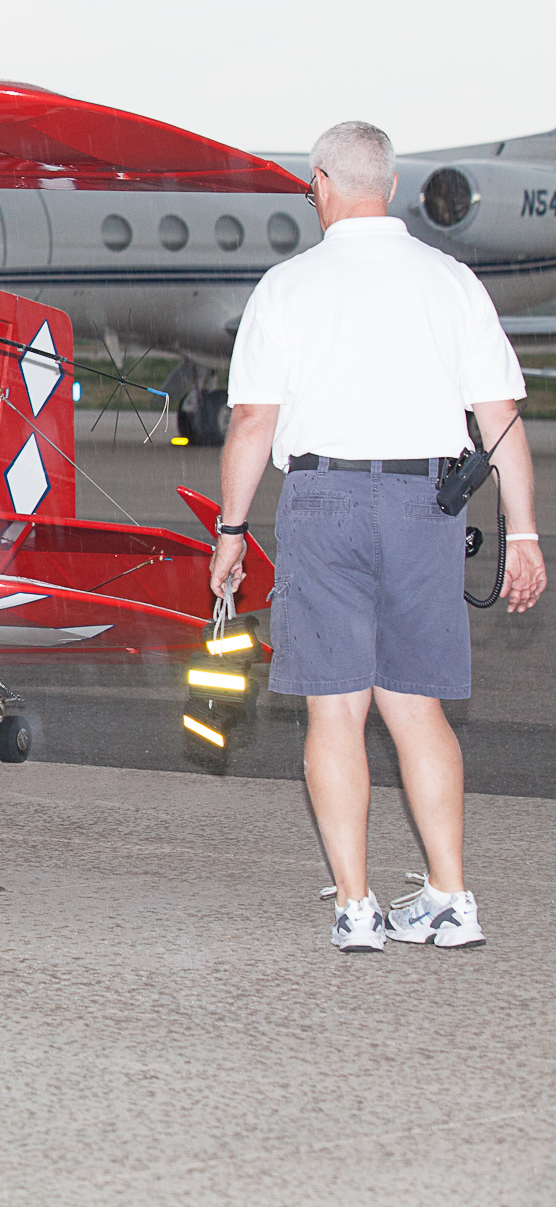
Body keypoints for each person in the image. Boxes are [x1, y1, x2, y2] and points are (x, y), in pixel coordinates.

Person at [210, 121, 543, 952]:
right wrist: (527, 536)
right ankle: (450, 897)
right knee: (416, 708)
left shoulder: (287, 286)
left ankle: (357, 907)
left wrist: (231, 529)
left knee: (336, 710)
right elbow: (500, 419)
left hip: (323, 502)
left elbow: (253, 420)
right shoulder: (451, 280)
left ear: (320, 184)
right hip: (427, 506)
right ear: (390, 188)